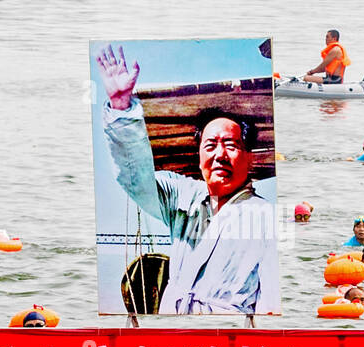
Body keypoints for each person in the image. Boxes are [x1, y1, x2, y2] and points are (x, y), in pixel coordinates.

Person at [98, 45, 279, 315]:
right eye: (210, 146)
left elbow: (272, 298)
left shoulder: (266, 216)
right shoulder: (184, 197)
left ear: (250, 157)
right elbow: (136, 179)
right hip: (174, 327)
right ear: (198, 157)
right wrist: (121, 108)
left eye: (230, 145)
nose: (220, 154)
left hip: (227, 332)